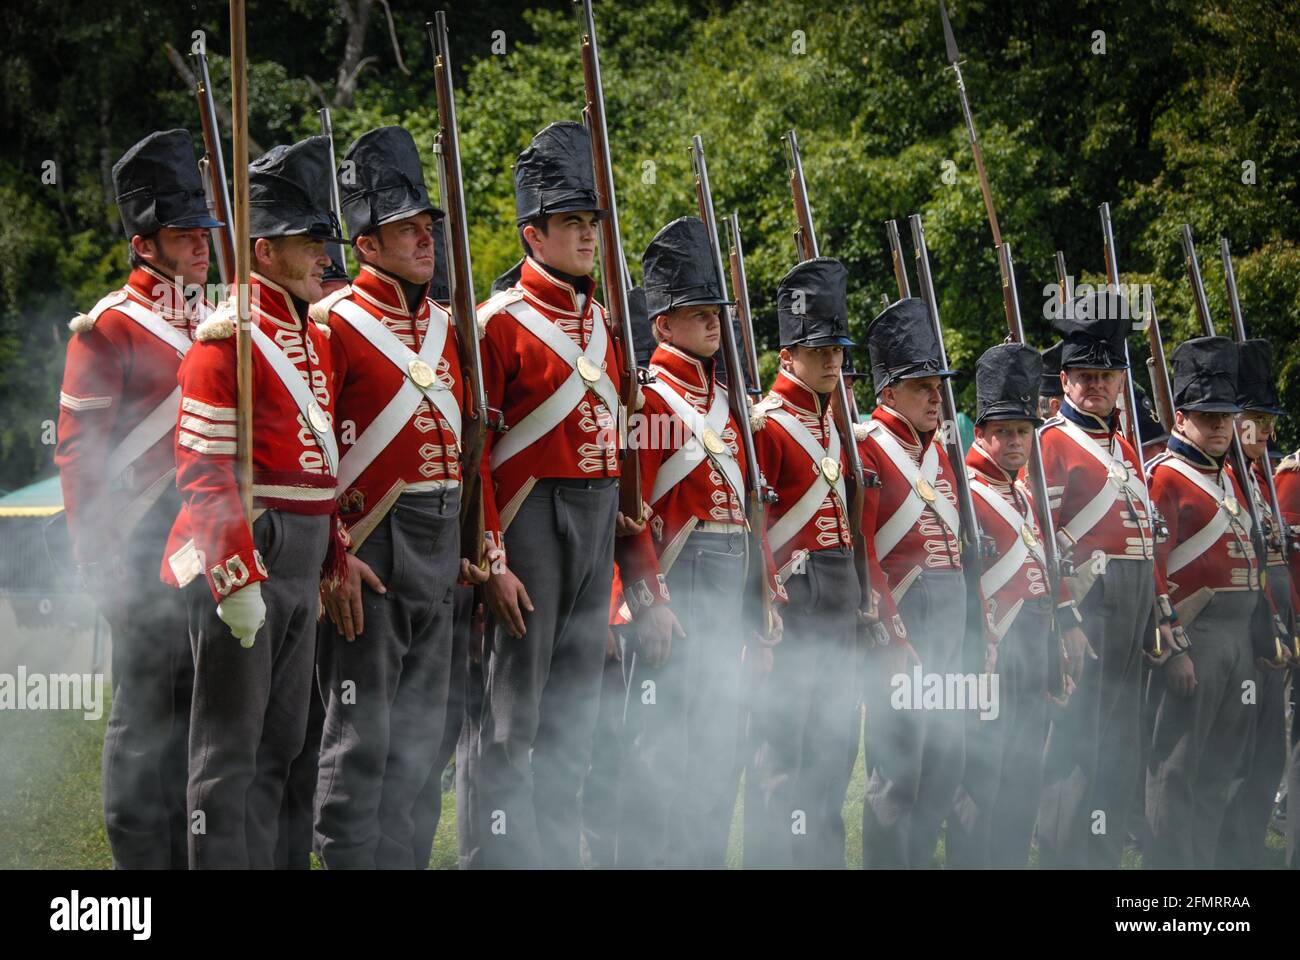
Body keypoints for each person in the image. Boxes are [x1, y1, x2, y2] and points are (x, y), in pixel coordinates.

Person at [161, 135, 349, 869]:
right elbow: (203, 473)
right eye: (308, 244)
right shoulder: (225, 339)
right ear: (265, 250)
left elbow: (321, 466)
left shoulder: (312, 338)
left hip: (302, 555)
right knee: (227, 757)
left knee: (285, 745)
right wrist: (235, 581)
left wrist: (332, 552)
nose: (323, 259)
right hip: (250, 554)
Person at [306, 125, 486, 868]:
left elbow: (472, 453)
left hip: (439, 556)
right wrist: (331, 557)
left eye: (427, 225)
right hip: (370, 555)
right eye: (405, 228)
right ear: (366, 243)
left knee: (423, 746)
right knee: (360, 747)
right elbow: (308, 454)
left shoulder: (446, 328)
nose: (424, 238)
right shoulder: (332, 324)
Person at [471, 121, 640, 868]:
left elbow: (621, 452)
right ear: (532, 235)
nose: (587, 237)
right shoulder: (497, 324)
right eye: (571, 223)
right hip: (527, 528)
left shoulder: (605, 326)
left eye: (592, 222)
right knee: (510, 726)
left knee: (573, 721)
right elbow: (472, 457)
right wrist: (490, 555)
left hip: (593, 524)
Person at [55, 128, 222, 869]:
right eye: (185, 232)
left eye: (204, 230)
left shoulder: (219, 327)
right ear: (145, 240)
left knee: (206, 719)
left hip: (210, 542)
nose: (202, 244)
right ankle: (140, 864)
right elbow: (78, 459)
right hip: (141, 545)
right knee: (145, 714)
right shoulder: (111, 329)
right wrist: (100, 567)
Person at [611, 217, 782, 867]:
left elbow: (750, 512)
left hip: (729, 582)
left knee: (718, 757)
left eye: (717, 310)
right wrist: (651, 599)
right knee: (658, 759)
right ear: (662, 324)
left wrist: (763, 602)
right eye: (697, 310)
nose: (714, 321)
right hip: (679, 586)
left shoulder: (727, 404)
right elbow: (632, 512)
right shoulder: (650, 401)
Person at [1036, 289, 1178, 868]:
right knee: (1075, 747)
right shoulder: (1052, 442)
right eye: (1085, 374)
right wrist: (1064, 618)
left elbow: (1147, 537)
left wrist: (1162, 614)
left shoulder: (1123, 447)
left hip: (1135, 611)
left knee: (1119, 746)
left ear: (1122, 382)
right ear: (1065, 380)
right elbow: (1040, 542)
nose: (1097, 384)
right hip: (1088, 612)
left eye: (1107, 374)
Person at [743, 257, 864, 868]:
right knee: (782, 763)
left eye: (837, 351)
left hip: (839, 608)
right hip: (795, 613)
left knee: (833, 757)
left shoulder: (833, 427)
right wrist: (764, 612)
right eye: (819, 352)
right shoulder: (767, 424)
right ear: (788, 354)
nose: (832, 362)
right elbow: (754, 526)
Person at [857, 296, 968, 870]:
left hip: (949, 623)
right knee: (899, 773)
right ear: (888, 392)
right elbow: (863, 551)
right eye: (922, 384)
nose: (935, 396)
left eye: (938, 385)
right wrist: (893, 638)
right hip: (908, 625)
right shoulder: (870, 449)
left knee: (941, 771)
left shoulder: (938, 455)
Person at [1144, 337, 1261, 868]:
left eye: (1227, 416)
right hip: (1198, 637)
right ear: (1183, 416)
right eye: (1207, 415)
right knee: (1177, 770)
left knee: (1220, 771)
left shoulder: (1230, 475)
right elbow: (1154, 566)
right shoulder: (1165, 476)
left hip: (1239, 639)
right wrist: (1175, 648)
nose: (1219, 425)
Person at [946, 343, 1063, 868]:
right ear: (984, 433)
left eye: (1023, 430)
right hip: (992, 651)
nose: (1015, 441)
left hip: (1032, 651)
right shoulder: (964, 492)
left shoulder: (1023, 494)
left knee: (1022, 778)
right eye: (1004, 432)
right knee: (980, 781)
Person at [1216, 338, 1294, 867]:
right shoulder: (1218, 478)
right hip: (1235, 639)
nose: (1265, 430)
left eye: (1268, 420)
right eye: (1256, 418)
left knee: (1265, 761)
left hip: (1271, 637)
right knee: (1231, 764)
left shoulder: (1261, 477)